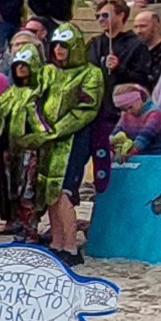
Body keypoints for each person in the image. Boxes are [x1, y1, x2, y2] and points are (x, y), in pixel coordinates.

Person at [21, 31, 102, 261]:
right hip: (48, 140)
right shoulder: (48, 72)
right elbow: (32, 101)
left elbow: (87, 108)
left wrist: (57, 129)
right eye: (56, 45)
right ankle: (57, 243)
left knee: (64, 192)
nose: (59, 50)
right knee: (50, 193)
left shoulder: (90, 73)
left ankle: (71, 247)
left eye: (64, 46)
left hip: (74, 141)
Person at [109, 84, 161, 158]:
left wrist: (127, 153)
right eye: (123, 109)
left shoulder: (155, 114)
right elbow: (116, 133)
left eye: (130, 107)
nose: (128, 111)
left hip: (153, 158)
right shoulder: (125, 115)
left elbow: (144, 138)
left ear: (139, 99)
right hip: (132, 158)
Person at [125, 7, 161, 91]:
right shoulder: (135, 52)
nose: (138, 31)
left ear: (156, 27)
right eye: (135, 27)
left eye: (143, 26)